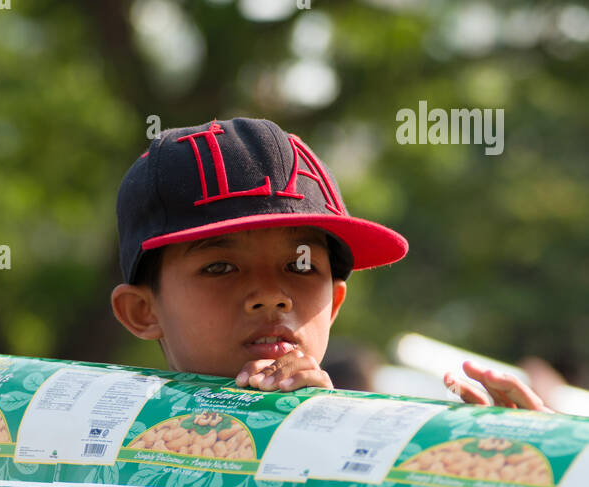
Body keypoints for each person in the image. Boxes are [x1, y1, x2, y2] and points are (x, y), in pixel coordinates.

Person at [111, 118, 547, 411]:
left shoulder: (387, 448)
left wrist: (529, 472)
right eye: (221, 267)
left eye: (300, 266)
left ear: (334, 302)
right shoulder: (87, 446)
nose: (271, 296)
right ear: (142, 311)